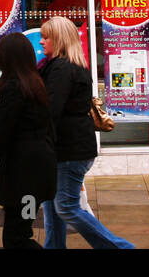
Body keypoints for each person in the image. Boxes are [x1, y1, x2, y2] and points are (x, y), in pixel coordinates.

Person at [39, 15, 136, 250]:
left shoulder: (61, 68)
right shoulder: (71, 66)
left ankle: (120, 247)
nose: (41, 42)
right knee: (52, 207)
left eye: (46, 37)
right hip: (67, 148)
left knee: (66, 207)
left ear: (59, 39)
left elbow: (51, 110)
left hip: (68, 150)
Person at [0, 32, 57, 248]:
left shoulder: (15, 89)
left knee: (17, 237)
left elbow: (1, 134)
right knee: (20, 232)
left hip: (25, 176)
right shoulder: (34, 85)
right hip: (34, 172)